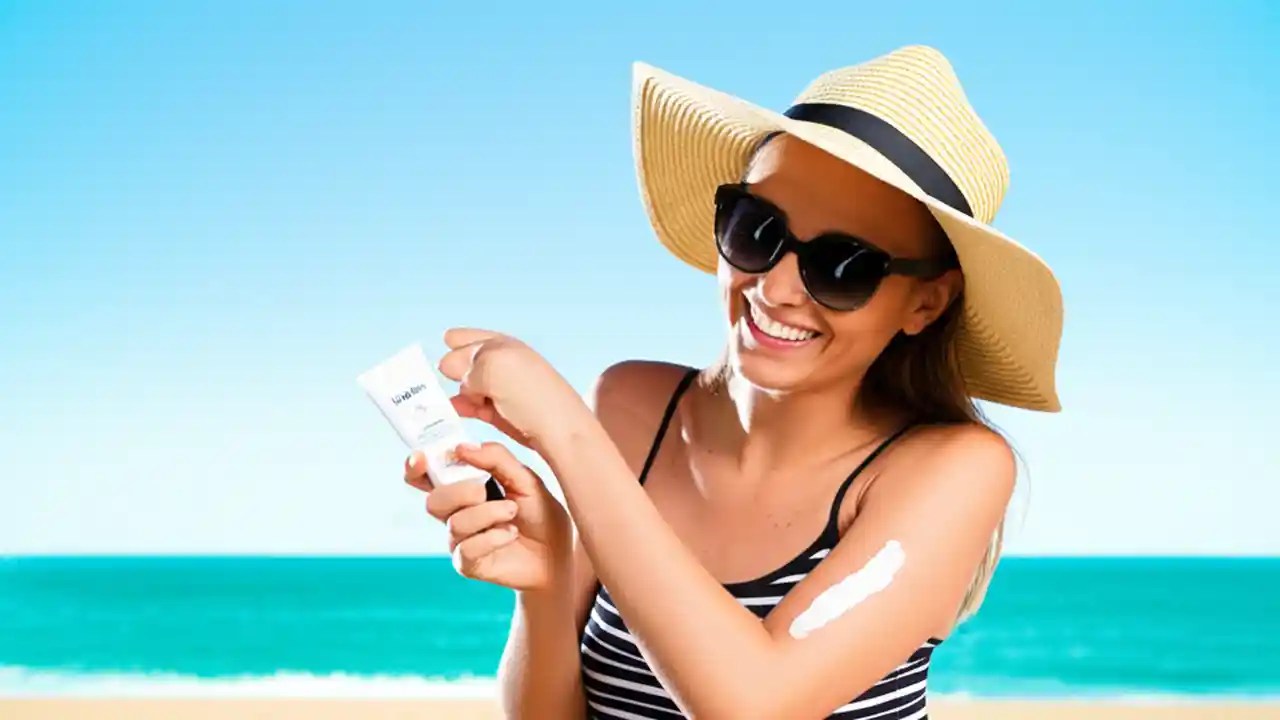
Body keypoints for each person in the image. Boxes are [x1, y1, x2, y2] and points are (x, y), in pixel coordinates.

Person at [403, 45, 1063, 720]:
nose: (774, 287)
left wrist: (568, 435)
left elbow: (754, 707)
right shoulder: (632, 406)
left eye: (842, 265)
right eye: (758, 229)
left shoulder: (952, 469)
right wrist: (544, 586)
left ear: (926, 303)